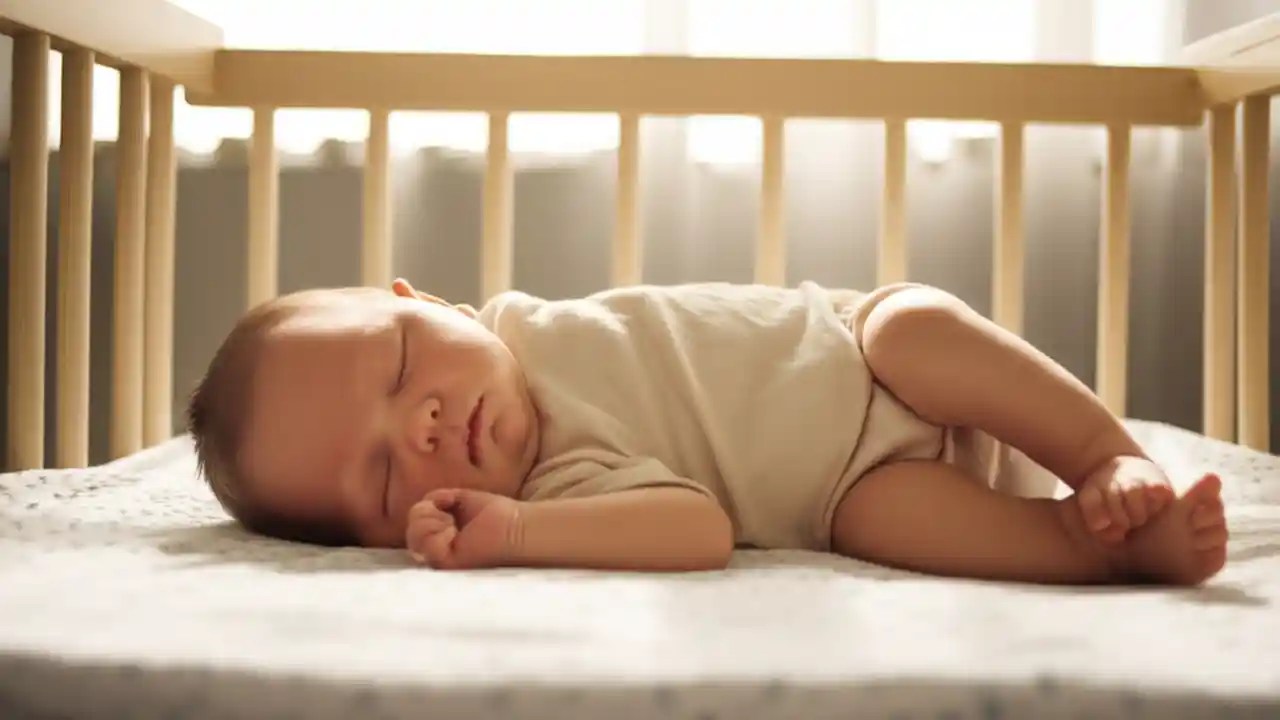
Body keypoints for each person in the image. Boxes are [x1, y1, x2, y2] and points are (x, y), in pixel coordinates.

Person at [187, 277, 1228, 586]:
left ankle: (1102, 456)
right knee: (893, 526)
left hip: (857, 348)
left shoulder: (520, 329)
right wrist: (510, 533)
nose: (417, 427)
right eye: (379, 481)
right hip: (842, 493)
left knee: (920, 331)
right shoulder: (553, 492)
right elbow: (696, 529)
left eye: (403, 364)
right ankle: (1100, 543)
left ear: (434, 301)